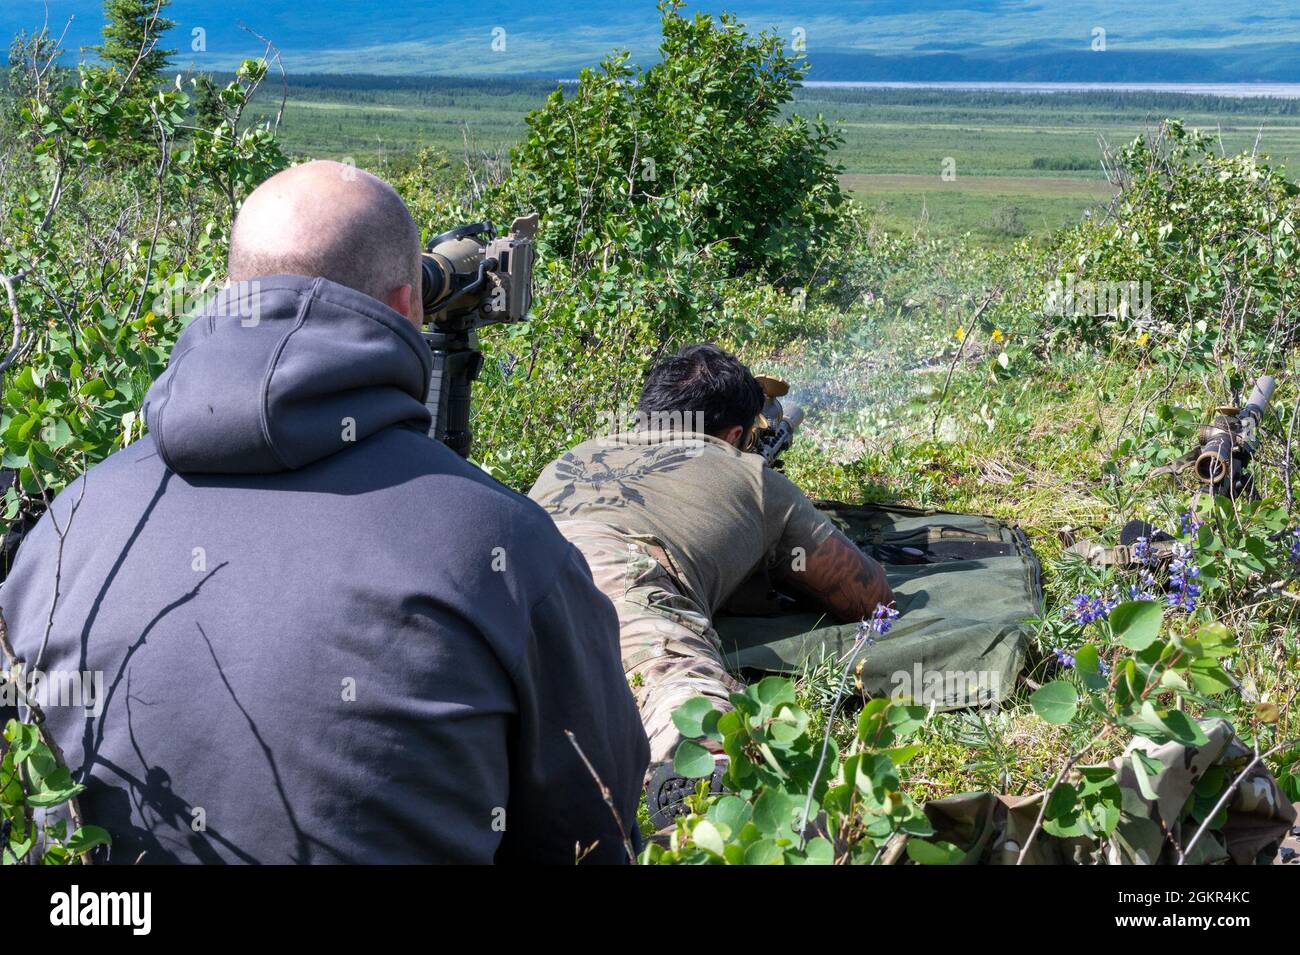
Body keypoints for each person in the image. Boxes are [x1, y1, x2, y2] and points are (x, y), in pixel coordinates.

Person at [0, 160, 648, 864]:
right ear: (408, 306)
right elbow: (592, 836)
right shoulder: (507, 546)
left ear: (229, 294)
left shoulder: (70, 520)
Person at [529, 343, 893, 825]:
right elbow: (869, 598)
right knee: (675, 683)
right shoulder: (753, 476)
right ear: (737, 434)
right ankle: (701, 775)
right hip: (617, 571)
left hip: (514, 569)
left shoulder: (577, 453)